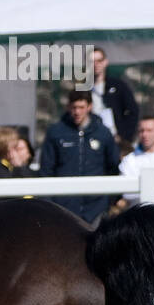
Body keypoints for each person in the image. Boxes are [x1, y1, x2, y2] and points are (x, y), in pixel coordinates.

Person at [36, 89, 121, 226]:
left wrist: (108, 201)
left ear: (89, 107)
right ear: (68, 107)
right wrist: (50, 203)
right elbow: (46, 169)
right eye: (74, 107)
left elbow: (113, 166)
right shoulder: (56, 132)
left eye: (81, 107)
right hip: (63, 208)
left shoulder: (103, 133)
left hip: (96, 208)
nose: (77, 112)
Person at [89, 47, 139, 151]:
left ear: (105, 62)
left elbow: (133, 111)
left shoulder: (118, 85)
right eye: (92, 61)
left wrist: (123, 136)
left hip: (114, 140)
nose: (95, 64)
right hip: (91, 140)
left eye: (99, 60)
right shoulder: (83, 89)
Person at [114, 116, 154, 211]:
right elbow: (128, 193)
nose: (145, 134)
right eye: (141, 130)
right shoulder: (128, 160)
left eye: (149, 130)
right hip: (139, 217)